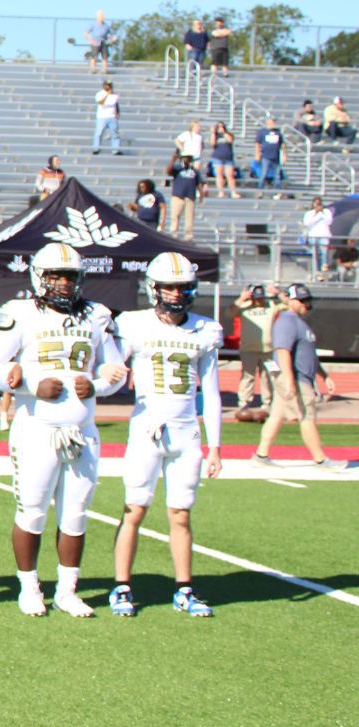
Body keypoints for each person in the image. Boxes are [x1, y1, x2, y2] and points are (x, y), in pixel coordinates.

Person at [0, 243, 127, 617]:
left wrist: (98, 386)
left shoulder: (96, 315)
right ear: (38, 277)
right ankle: (29, 586)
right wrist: (28, 385)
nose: (62, 283)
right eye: (55, 276)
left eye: (69, 276)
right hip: (36, 429)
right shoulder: (21, 313)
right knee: (33, 510)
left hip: (82, 429)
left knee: (76, 513)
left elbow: (116, 370)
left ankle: (67, 589)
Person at [109, 253, 223, 618]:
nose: (176, 293)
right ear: (154, 288)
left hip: (186, 432)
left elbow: (212, 391)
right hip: (147, 429)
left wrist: (216, 445)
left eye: (182, 286)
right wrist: (110, 369)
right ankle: (122, 585)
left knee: (181, 514)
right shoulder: (133, 324)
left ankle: (184, 589)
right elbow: (114, 361)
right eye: (170, 286)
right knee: (135, 509)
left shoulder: (205, 329)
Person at [252, 284, 342, 471]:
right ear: (291, 300)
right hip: (296, 377)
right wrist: (289, 379)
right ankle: (321, 460)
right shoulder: (287, 321)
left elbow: (309, 355)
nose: (306, 305)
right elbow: (283, 351)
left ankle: (261, 455)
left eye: (308, 301)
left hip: (299, 376)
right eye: (302, 301)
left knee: (277, 415)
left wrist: (324, 376)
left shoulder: (298, 322)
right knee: (307, 416)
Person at [234, 285, 281, 411]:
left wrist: (279, 293)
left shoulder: (270, 306)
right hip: (248, 349)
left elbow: (287, 305)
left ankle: (267, 402)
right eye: (257, 298)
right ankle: (244, 402)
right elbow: (229, 312)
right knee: (247, 376)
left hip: (268, 350)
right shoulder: (244, 307)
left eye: (261, 298)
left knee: (268, 376)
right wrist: (241, 298)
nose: (259, 301)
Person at [165, 155, 202, 240]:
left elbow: (199, 183)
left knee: (189, 217)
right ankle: (174, 234)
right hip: (178, 196)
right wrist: (173, 160)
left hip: (190, 196)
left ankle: (188, 236)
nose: (186, 161)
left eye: (188, 159)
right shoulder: (178, 169)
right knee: (175, 216)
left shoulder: (195, 171)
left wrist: (201, 194)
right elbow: (168, 171)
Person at [304, 196, 334, 277]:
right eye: (316, 203)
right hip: (313, 235)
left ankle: (323, 270)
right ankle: (316, 270)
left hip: (324, 235)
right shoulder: (309, 213)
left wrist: (322, 213)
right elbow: (307, 223)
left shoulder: (326, 212)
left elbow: (329, 222)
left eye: (319, 203)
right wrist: (317, 215)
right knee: (315, 254)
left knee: (324, 253)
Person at [209, 123, 240, 198]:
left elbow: (230, 140)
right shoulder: (216, 136)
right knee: (219, 175)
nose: (220, 128)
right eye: (219, 127)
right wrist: (213, 132)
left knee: (230, 175)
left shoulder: (228, 134)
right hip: (218, 157)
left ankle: (233, 192)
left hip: (228, 158)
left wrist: (224, 133)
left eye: (222, 127)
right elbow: (212, 144)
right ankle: (221, 192)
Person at [254, 116, 284, 192]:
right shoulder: (262, 132)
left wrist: (284, 154)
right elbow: (257, 143)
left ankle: (277, 192)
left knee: (277, 175)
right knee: (263, 174)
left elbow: (282, 144)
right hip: (265, 156)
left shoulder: (278, 132)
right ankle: (260, 191)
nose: (273, 123)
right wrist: (257, 154)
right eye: (272, 121)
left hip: (276, 157)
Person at [92, 80, 122, 155]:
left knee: (115, 134)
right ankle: (96, 148)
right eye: (107, 85)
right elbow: (100, 102)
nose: (108, 87)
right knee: (99, 133)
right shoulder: (100, 94)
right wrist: (107, 95)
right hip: (102, 117)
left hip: (112, 117)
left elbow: (115, 104)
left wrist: (117, 112)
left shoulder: (114, 95)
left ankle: (115, 150)